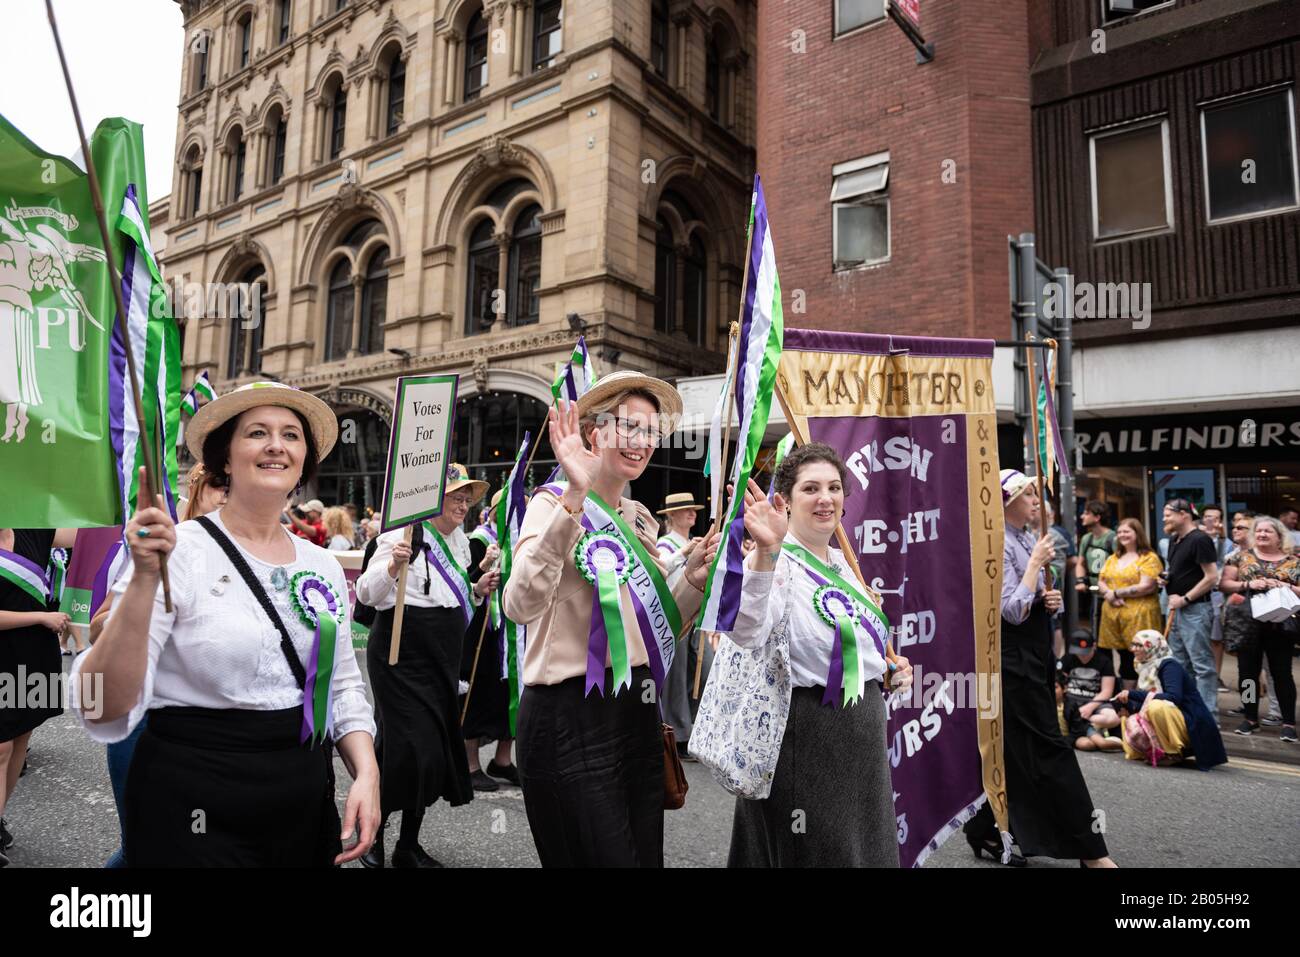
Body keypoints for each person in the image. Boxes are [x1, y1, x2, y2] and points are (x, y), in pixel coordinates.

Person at [69, 381, 379, 866]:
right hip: (191, 797)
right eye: (258, 432)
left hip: (295, 799)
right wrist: (146, 580)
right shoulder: (179, 549)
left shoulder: (321, 565)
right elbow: (101, 707)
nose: (277, 445)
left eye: (291, 435)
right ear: (226, 460)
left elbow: (341, 686)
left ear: (303, 461)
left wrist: (366, 772)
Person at [502, 371, 720, 867]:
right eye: (629, 427)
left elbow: (658, 627)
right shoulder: (549, 505)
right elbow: (519, 604)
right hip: (569, 716)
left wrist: (693, 579)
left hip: (635, 713)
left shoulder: (641, 518)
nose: (641, 443)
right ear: (595, 433)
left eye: (650, 432)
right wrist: (573, 500)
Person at [715, 444, 914, 867]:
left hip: (860, 740)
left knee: (864, 851)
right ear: (784, 501)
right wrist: (766, 552)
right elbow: (746, 631)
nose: (826, 498)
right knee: (818, 853)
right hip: (805, 739)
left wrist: (888, 671)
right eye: (811, 488)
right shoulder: (772, 561)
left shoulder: (848, 569)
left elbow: (856, 654)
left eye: (834, 487)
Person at [964, 469, 1115, 868]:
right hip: (1011, 660)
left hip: (1036, 655)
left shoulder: (1029, 537)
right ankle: (1091, 851)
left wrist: (1050, 599)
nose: (1035, 499)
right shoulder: (996, 544)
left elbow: (1041, 602)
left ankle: (987, 831)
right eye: (1027, 493)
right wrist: (1033, 566)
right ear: (1005, 501)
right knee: (1050, 748)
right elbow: (1010, 610)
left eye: (1035, 492)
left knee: (1014, 750)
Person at [85, 463, 227, 868]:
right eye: (218, 485)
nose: (225, 496)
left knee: (202, 845)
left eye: (231, 487)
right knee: (142, 847)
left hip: (214, 729)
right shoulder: (158, 543)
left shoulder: (255, 556)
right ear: (196, 488)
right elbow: (98, 626)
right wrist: (140, 608)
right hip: (147, 719)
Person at [357, 463, 492, 867]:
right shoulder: (400, 536)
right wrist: (393, 566)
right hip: (400, 655)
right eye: (455, 497)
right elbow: (367, 593)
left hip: (440, 657)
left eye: (467, 499)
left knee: (433, 750)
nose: (463, 504)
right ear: (433, 500)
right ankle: (374, 836)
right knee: (403, 750)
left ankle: (408, 845)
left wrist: (478, 590)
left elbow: (452, 596)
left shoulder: (462, 544)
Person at [0, 525, 73, 867]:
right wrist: (42, 616)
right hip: (7, 648)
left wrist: (124, 478)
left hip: (32, 653)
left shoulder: (33, 530)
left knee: (20, 740)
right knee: (0, 746)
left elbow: (90, 531)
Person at [1092, 630, 1228, 770]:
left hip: (1191, 720)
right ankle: (1147, 750)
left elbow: (1173, 698)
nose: (1133, 649)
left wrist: (1133, 694)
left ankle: (1172, 754)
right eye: (1133, 644)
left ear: (1151, 646)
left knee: (1156, 707)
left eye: (1139, 645)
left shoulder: (1169, 665)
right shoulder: (1143, 665)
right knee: (1128, 711)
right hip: (1175, 717)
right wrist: (1128, 705)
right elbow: (1146, 699)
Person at [1218, 516, 1298, 743]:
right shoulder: (1240, 557)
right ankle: (1250, 718)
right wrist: (1248, 584)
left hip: (1281, 625)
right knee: (1248, 674)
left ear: (1279, 536)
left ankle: (1288, 722)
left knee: (1281, 674)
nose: (1262, 535)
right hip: (1246, 624)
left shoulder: (1295, 560)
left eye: (1268, 532)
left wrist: (1286, 585)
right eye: (1259, 531)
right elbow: (1224, 584)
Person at [460, 490, 517, 792]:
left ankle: (503, 760)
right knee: (479, 689)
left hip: (513, 628)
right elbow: (464, 580)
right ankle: (470, 763)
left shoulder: (522, 540)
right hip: (483, 628)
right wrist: (483, 565)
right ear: (496, 512)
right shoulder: (479, 540)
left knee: (510, 689)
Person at [655, 491, 705, 757]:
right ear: (671, 515)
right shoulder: (665, 544)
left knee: (699, 672)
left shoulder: (692, 542)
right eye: (685, 510)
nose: (692, 513)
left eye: (693, 509)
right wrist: (685, 552)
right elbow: (659, 571)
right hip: (673, 612)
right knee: (677, 678)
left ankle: (691, 728)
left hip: (695, 613)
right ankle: (677, 734)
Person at [1161, 498, 1221, 714]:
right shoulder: (1174, 539)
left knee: (1202, 666)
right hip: (1176, 610)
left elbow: (1211, 577)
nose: (1163, 518)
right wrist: (1167, 579)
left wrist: (1185, 598)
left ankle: (1207, 716)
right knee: (1179, 664)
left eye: (1168, 514)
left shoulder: (1200, 539)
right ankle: (1186, 713)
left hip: (1195, 610)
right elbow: (1184, 571)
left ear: (1184, 514)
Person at [1096, 518, 1164, 689]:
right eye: (1119, 532)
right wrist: (1108, 594)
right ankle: (1124, 696)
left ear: (1137, 533)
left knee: (1137, 654)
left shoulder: (1149, 558)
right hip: (1113, 615)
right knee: (1122, 656)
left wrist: (1117, 592)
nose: (1122, 535)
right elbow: (1101, 580)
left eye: (1127, 531)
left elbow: (1147, 586)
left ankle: (1139, 694)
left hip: (1140, 615)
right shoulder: (1114, 557)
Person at [1058, 629, 1124, 753]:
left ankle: (1085, 726)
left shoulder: (1104, 662)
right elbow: (1060, 683)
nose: (1082, 656)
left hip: (1095, 702)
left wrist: (1090, 707)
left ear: (1093, 646)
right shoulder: (1067, 659)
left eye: (1085, 652)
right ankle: (1090, 730)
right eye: (1079, 653)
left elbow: (1107, 691)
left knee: (1113, 717)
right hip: (1071, 702)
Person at [1201, 505, 1231, 692]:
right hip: (1198, 595)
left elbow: (1220, 560)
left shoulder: (1227, 543)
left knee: (1216, 640)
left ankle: (1217, 677)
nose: (1210, 521)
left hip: (1218, 596)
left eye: (1215, 518)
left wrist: (1220, 535)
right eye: (1207, 517)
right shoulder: (1195, 538)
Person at [1074, 501, 1116, 635]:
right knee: (1096, 632)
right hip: (1094, 594)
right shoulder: (1087, 539)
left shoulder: (1112, 538)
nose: (1082, 516)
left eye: (1086, 513)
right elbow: (1080, 563)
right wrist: (1081, 580)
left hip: (1111, 593)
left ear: (1097, 518)